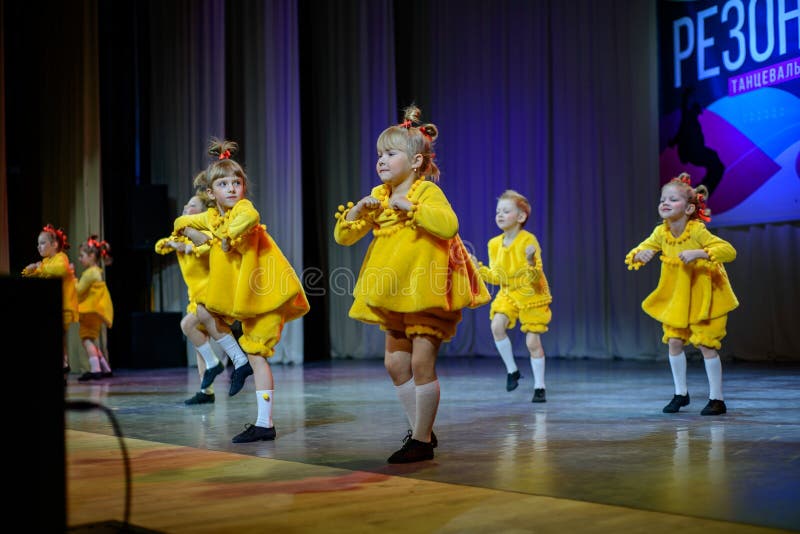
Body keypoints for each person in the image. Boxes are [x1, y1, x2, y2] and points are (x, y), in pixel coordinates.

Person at [333, 105, 490, 463]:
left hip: (426, 293)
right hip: (394, 295)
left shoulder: (425, 193)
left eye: (390, 154)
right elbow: (343, 237)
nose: (382, 161)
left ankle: (420, 439)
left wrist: (413, 209)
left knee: (421, 362)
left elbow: (448, 226)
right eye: (379, 155)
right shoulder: (379, 196)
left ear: (416, 161)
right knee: (395, 364)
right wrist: (357, 212)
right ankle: (422, 431)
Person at [174, 139, 310, 442]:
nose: (232, 188)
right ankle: (238, 361)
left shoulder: (242, 211)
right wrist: (188, 229)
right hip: (245, 298)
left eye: (237, 182)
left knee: (258, 354)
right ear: (211, 193)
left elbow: (249, 219)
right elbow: (183, 220)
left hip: (267, 296)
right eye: (224, 184)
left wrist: (227, 235)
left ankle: (264, 422)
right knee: (204, 312)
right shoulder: (213, 217)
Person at [625, 172, 738, 416]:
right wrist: (640, 254)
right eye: (662, 199)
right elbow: (641, 248)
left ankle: (716, 399)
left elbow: (728, 251)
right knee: (674, 341)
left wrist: (699, 254)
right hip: (679, 297)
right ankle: (680, 393)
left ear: (688, 209)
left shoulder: (696, 231)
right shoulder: (661, 233)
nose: (665, 203)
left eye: (672, 199)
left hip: (706, 296)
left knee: (706, 345)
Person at [156, 175, 254, 405]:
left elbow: (206, 247)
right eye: (185, 205)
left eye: (191, 206)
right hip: (196, 296)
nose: (185, 208)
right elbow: (160, 246)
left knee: (193, 326)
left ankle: (232, 364)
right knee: (196, 338)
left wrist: (186, 245)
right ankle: (206, 387)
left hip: (210, 292)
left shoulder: (205, 232)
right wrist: (169, 244)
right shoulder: (183, 233)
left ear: (200, 212)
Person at [470, 190, 552, 402]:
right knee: (497, 325)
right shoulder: (494, 244)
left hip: (531, 293)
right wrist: (476, 267)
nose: (500, 215)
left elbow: (535, 276)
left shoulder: (528, 241)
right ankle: (512, 371)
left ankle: (539, 386)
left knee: (532, 342)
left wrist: (532, 261)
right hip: (508, 292)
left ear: (521, 217)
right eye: (498, 211)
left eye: (506, 211)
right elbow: (497, 276)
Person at [22, 224, 79, 376]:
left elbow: (59, 270)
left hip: (64, 307)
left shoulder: (61, 258)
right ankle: (64, 363)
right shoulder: (46, 262)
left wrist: (38, 268)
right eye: (37, 244)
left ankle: (63, 363)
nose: (38, 247)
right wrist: (28, 271)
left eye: (42, 243)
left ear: (54, 245)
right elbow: (31, 275)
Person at [75, 235, 115, 381]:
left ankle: (95, 369)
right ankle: (105, 368)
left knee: (86, 339)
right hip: (96, 311)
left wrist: (72, 280)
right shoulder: (97, 271)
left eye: (82, 255)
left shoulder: (90, 273)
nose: (80, 259)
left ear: (92, 256)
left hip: (90, 310)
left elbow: (79, 290)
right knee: (91, 338)